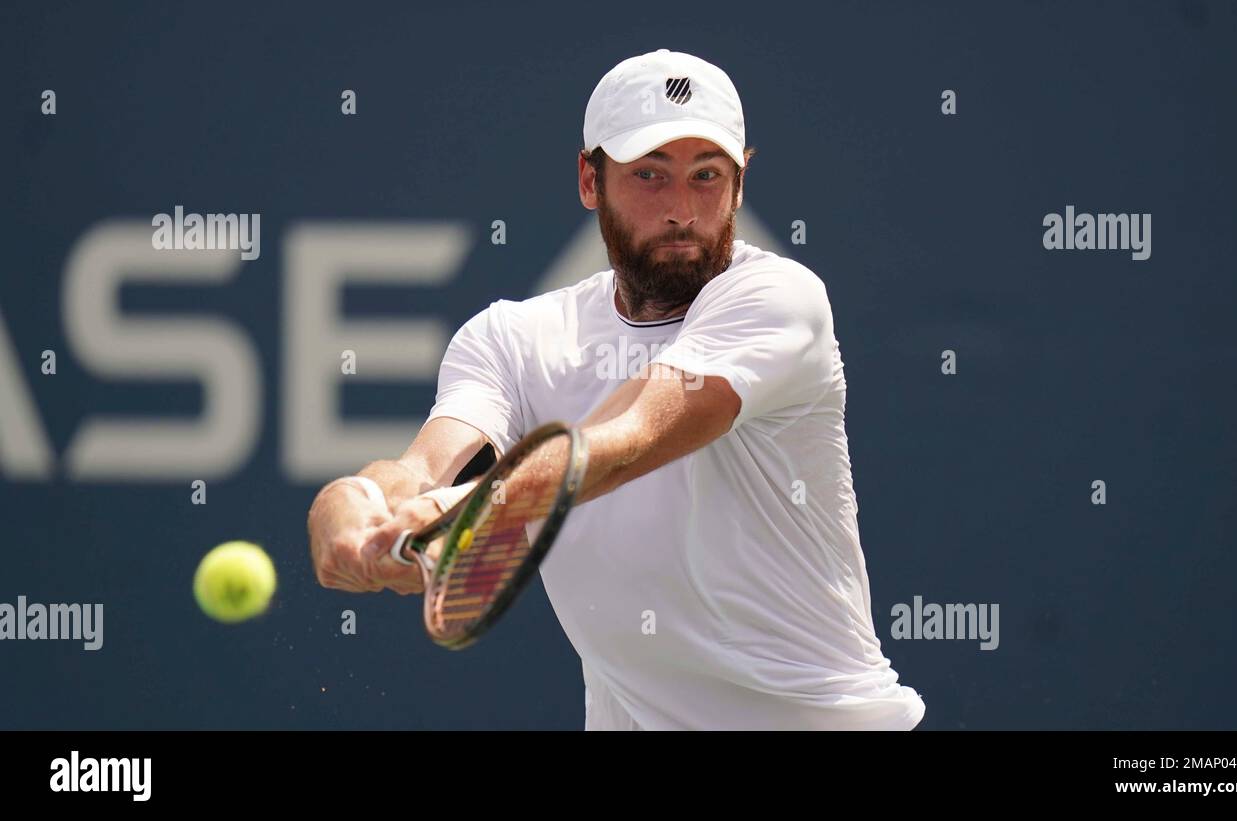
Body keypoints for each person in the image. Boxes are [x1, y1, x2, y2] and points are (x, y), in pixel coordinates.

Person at [308, 48, 925, 730]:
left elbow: (624, 441)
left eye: (707, 175)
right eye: (650, 175)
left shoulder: (780, 299)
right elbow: (419, 469)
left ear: (741, 181)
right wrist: (357, 508)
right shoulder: (511, 338)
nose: (682, 210)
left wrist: (461, 514)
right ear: (589, 178)